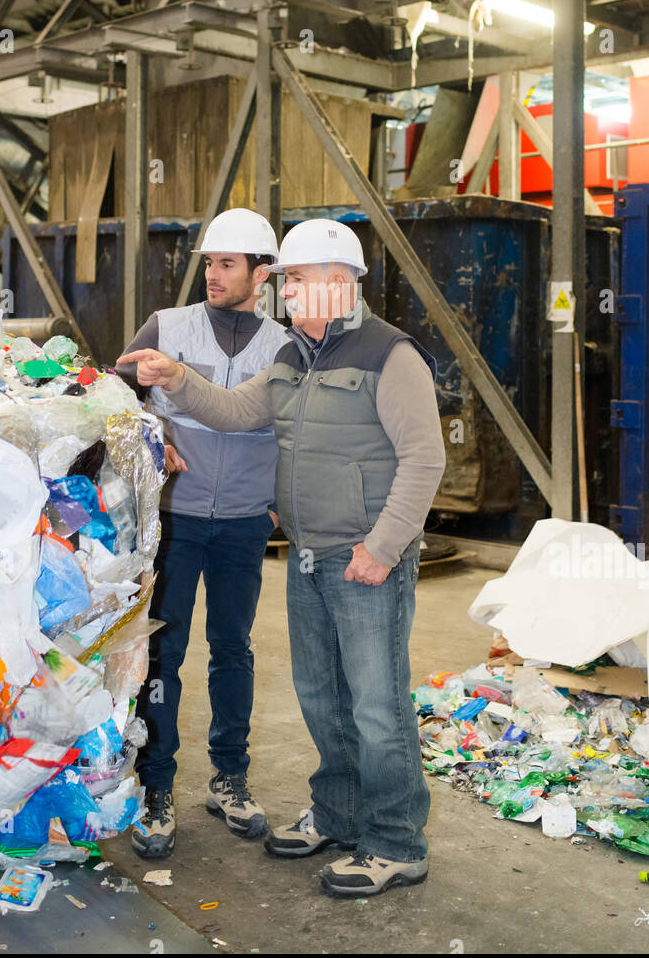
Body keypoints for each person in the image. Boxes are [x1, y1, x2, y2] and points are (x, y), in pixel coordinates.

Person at [118, 217, 446, 898]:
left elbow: (424, 458)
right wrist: (177, 377)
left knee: (377, 706)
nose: (289, 292)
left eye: (299, 280)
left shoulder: (391, 354)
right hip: (307, 556)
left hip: (365, 560)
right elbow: (236, 410)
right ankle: (339, 814)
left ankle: (395, 841)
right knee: (323, 699)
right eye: (289, 280)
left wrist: (383, 549)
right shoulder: (296, 356)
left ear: (341, 283)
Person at [117, 208, 289, 859]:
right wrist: (152, 437)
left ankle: (229, 779)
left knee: (233, 650)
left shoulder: (287, 345)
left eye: (226, 264)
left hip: (246, 522)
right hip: (175, 518)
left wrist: (277, 506)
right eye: (209, 262)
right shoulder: (167, 326)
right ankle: (155, 788)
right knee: (164, 653)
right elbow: (111, 396)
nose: (213, 274)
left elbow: (294, 430)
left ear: (259, 273)